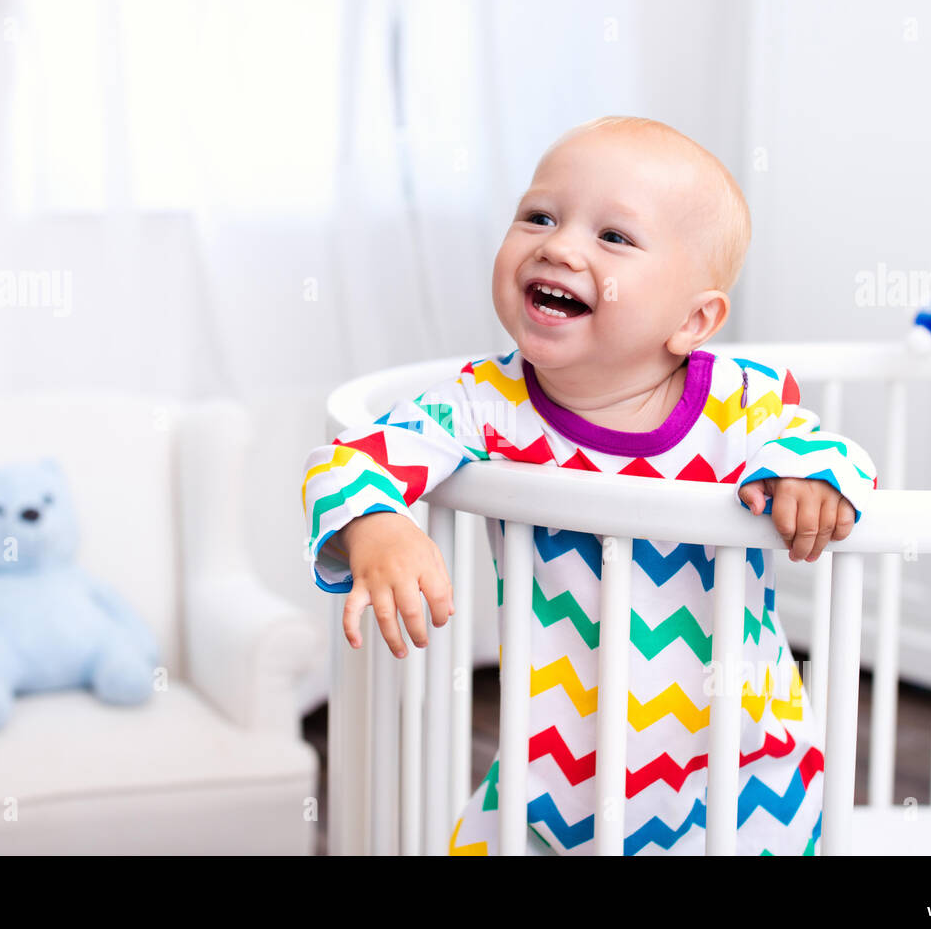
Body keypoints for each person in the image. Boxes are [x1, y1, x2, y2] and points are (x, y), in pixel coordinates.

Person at [301, 116, 878, 855]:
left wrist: (811, 479)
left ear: (693, 319)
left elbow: (829, 451)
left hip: (744, 786)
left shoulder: (744, 405)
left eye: (614, 238)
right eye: (539, 216)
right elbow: (344, 462)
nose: (559, 244)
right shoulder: (486, 404)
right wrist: (378, 524)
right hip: (549, 784)